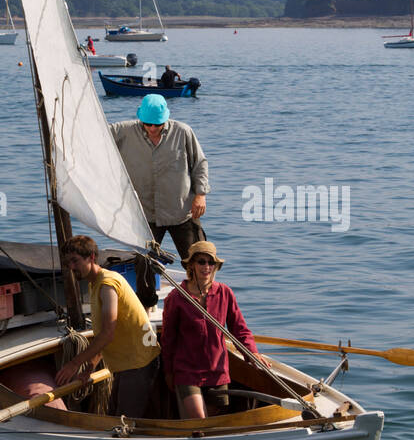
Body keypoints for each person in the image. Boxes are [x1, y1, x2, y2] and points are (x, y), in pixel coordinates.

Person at [160, 241, 269, 419]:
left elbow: (239, 329)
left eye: (211, 263)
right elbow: (168, 340)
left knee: (212, 422)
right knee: (199, 420)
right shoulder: (176, 298)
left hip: (217, 371)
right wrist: (168, 373)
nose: (207, 267)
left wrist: (252, 353)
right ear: (191, 265)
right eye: (201, 261)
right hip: (187, 371)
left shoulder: (224, 293)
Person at [55, 235, 160, 417]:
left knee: (124, 422)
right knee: (113, 416)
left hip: (138, 363)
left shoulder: (107, 284)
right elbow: (101, 336)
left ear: (92, 258)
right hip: (125, 364)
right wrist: (88, 370)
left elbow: (107, 334)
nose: (71, 267)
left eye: (75, 261)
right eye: (68, 263)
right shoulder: (95, 284)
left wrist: (74, 364)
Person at [110, 94, 208, 263]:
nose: (152, 128)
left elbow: (199, 164)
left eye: (157, 124)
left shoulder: (183, 132)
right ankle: (146, 291)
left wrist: (201, 194)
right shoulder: (123, 131)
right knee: (144, 266)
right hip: (146, 215)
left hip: (182, 211)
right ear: (141, 118)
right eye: (148, 124)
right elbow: (95, 133)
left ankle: (200, 291)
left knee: (198, 262)